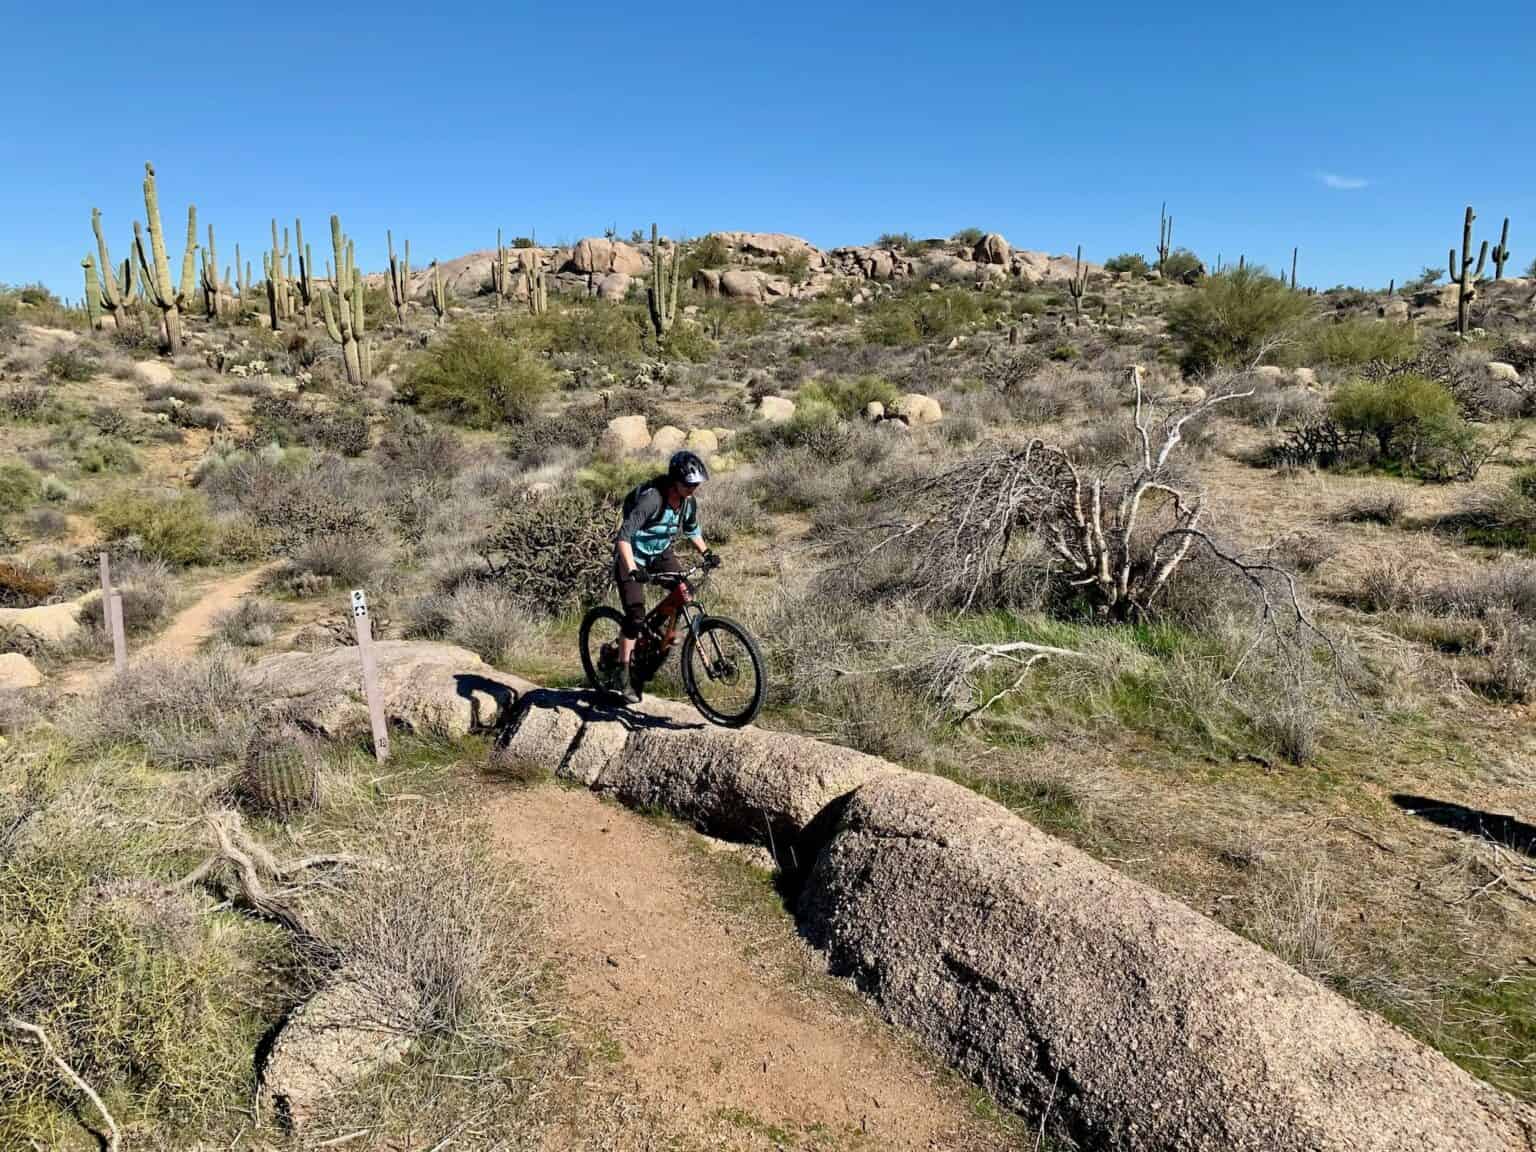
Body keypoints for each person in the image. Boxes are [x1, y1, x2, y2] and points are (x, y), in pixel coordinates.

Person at [610, 449, 720, 703]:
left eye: (696, 484)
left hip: (659, 553)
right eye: (689, 484)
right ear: (675, 481)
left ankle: (651, 633)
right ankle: (623, 671)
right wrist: (634, 570)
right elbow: (623, 537)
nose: (693, 488)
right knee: (635, 616)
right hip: (632, 557)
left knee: (685, 591)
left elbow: (692, 529)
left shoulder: (688, 503)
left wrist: (707, 553)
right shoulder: (652, 500)